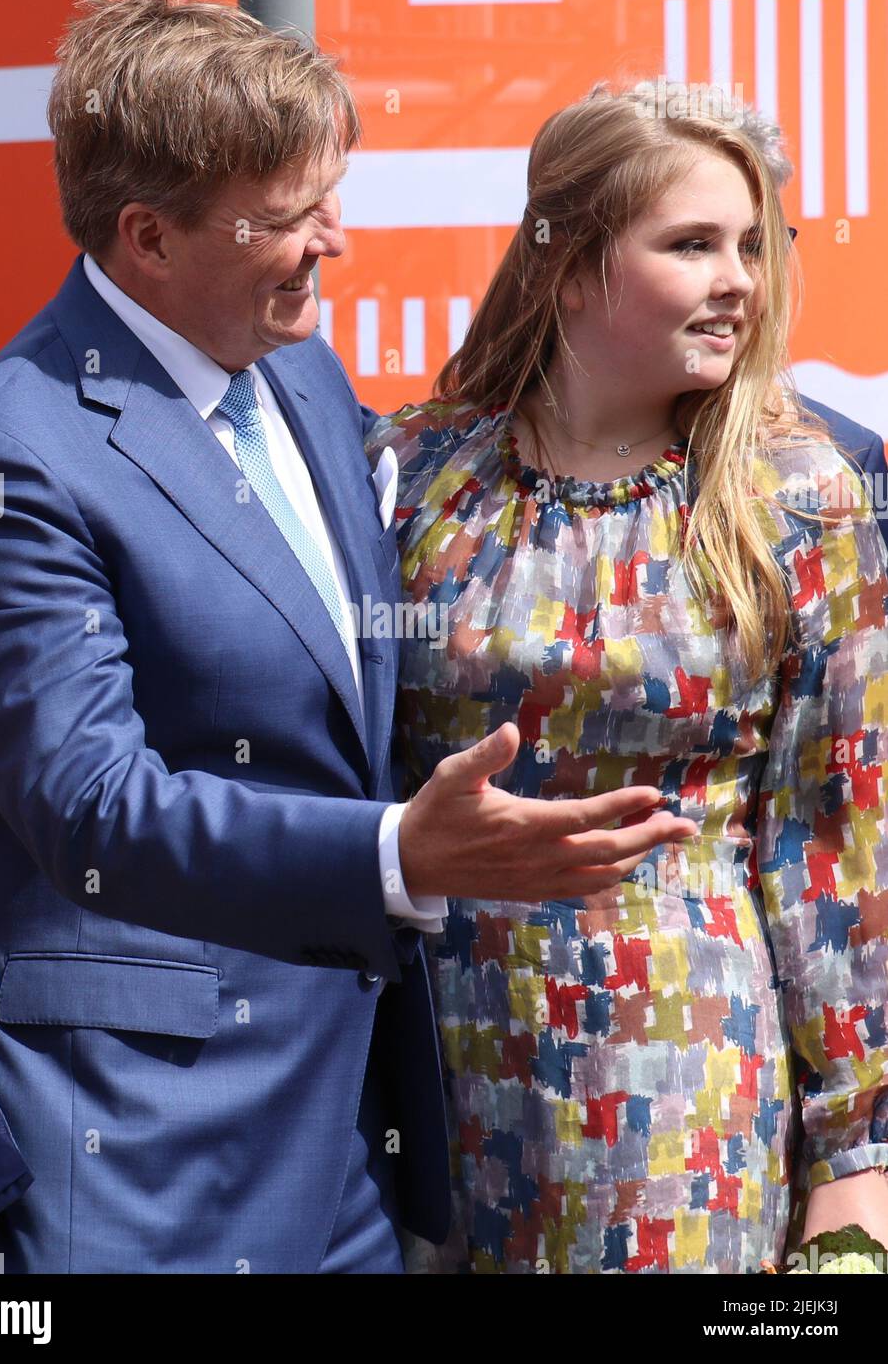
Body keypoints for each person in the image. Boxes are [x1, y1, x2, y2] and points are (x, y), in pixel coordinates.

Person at [0, 0, 695, 1274]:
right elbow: (92, 804)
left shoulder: (303, 373)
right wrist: (396, 849)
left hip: (339, 1129)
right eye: (286, 218)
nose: (336, 241)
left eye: (333, 197)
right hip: (131, 1139)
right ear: (147, 239)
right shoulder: (1, 454)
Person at [360, 83, 888, 1273]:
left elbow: (837, 832)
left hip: (678, 1079)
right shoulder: (417, 470)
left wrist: (858, 1154)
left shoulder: (798, 497)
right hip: (420, 1067)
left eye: (750, 244)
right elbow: (295, 710)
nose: (739, 280)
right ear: (568, 266)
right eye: (691, 244)